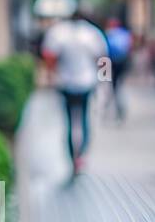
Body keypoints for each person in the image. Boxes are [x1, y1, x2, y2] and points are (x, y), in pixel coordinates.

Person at [42, 10, 110, 175]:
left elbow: (49, 56)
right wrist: (104, 80)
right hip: (87, 82)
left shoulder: (58, 33)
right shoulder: (92, 33)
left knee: (69, 121)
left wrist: (51, 76)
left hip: (65, 83)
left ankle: (73, 156)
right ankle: (81, 155)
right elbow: (103, 58)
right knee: (85, 119)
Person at [104, 17, 133, 120]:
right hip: (121, 62)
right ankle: (115, 106)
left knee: (113, 86)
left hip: (113, 63)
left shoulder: (109, 34)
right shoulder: (124, 34)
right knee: (116, 85)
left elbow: (104, 50)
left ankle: (111, 105)